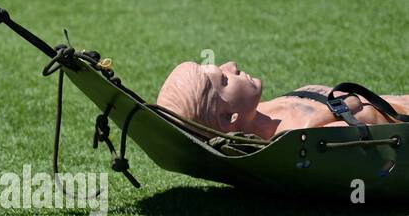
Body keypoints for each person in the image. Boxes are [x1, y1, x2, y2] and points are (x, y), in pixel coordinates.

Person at [156, 61, 408, 142]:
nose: (232, 65)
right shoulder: (300, 136)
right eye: (224, 79)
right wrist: (346, 106)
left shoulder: (259, 113)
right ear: (228, 117)